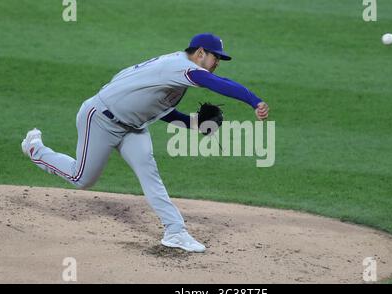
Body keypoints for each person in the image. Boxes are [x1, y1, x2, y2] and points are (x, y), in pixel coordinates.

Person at [21, 33, 269, 253]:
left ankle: (175, 232)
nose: (217, 64)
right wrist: (254, 101)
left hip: (133, 127)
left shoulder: (177, 77)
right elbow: (217, 83)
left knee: (149, 173)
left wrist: (195, 125)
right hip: (100, 119)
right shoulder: (180, 66)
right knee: (82, 179)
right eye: (216, 58)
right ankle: (36, 150)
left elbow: (162, 111)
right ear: (201, 53)